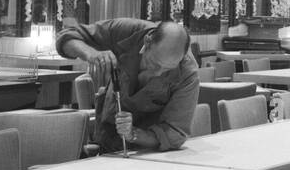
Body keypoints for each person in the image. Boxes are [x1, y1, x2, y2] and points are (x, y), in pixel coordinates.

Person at [56, 17, 198, 153]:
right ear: (147, 41)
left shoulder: (187, 72)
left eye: (167, 69)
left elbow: (175, 133)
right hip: (106, 137)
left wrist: (134, 134)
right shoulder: (127, 31)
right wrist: (91, 54)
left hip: (151, 153)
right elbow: (66, 37)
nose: (158, 73)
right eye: (154, 63)